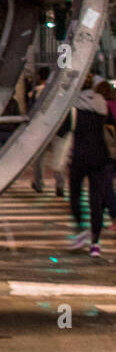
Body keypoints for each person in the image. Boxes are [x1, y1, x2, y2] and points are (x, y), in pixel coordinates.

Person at [66, 77, 116, 257]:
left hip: (79, 156)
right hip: (100, 156)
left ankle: (81, 229)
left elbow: (62, 130)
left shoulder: (72, 105)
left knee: (75, 194)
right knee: (96, 199)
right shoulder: (101, 103)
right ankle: (95, 243)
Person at [29, 67, 69, 196]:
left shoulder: (37, 91)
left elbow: (32, 112)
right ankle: (60, 185)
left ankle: (39, 183)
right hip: (60, 128)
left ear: (40, 77)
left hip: (42, 128)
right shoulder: (61, 91)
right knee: (59, 158)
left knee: (39, 157)